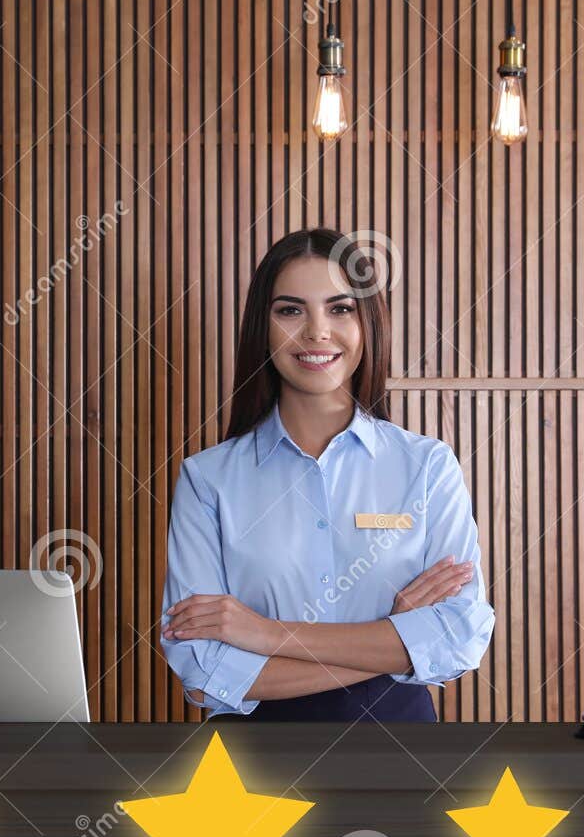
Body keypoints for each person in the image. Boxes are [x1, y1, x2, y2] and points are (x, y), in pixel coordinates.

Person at [159, 227, 495, 722]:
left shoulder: (427, 466)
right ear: (263, 326)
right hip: (248, 765)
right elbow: (205, 669)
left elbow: (458, 636)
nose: (316, 331)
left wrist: (268, 634)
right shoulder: (207, 480)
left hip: (401, 752)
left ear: (368, 323)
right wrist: (393, 637)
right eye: (291, 310)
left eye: (340, 309)